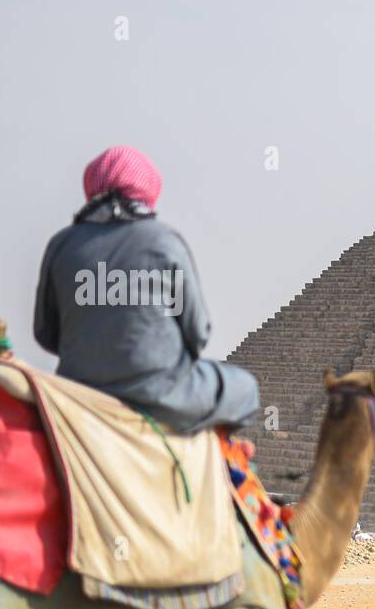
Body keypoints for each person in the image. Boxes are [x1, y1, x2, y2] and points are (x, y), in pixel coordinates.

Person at [33, 146, 259, 433]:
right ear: (147, 190)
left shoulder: (60, 245)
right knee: (246, 388)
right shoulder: (165, 241)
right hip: (160, 394)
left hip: (77, 391)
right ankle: (218, 472)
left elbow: (45, 333)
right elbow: (198, 332)